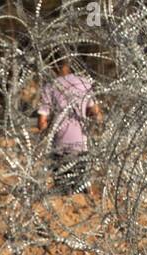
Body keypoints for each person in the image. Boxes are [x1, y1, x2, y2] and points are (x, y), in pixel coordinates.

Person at [37, 60, 101, 196]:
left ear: (54, 65)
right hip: (81, 145)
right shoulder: (85, 83)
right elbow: (96, 114)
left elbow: (41, 123)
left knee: (63, 192)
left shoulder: (50, 87)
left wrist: (45, 132)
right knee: (82, 190)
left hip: (59, 147)